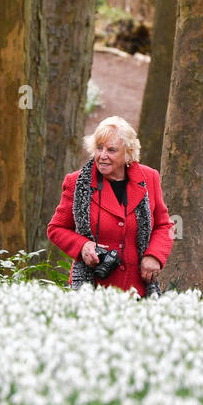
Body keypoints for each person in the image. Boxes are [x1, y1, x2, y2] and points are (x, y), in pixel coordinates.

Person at [47, 116, 173, 295]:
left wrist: (154, 256)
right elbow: (56, 228)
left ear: (128, 153)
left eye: (111, 150)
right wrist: (82, 246)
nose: (102, 156)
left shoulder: (149, 178)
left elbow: (164, 225)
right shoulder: (77, 182)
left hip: (137, 289)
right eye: (99, 148)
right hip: (92, 290)